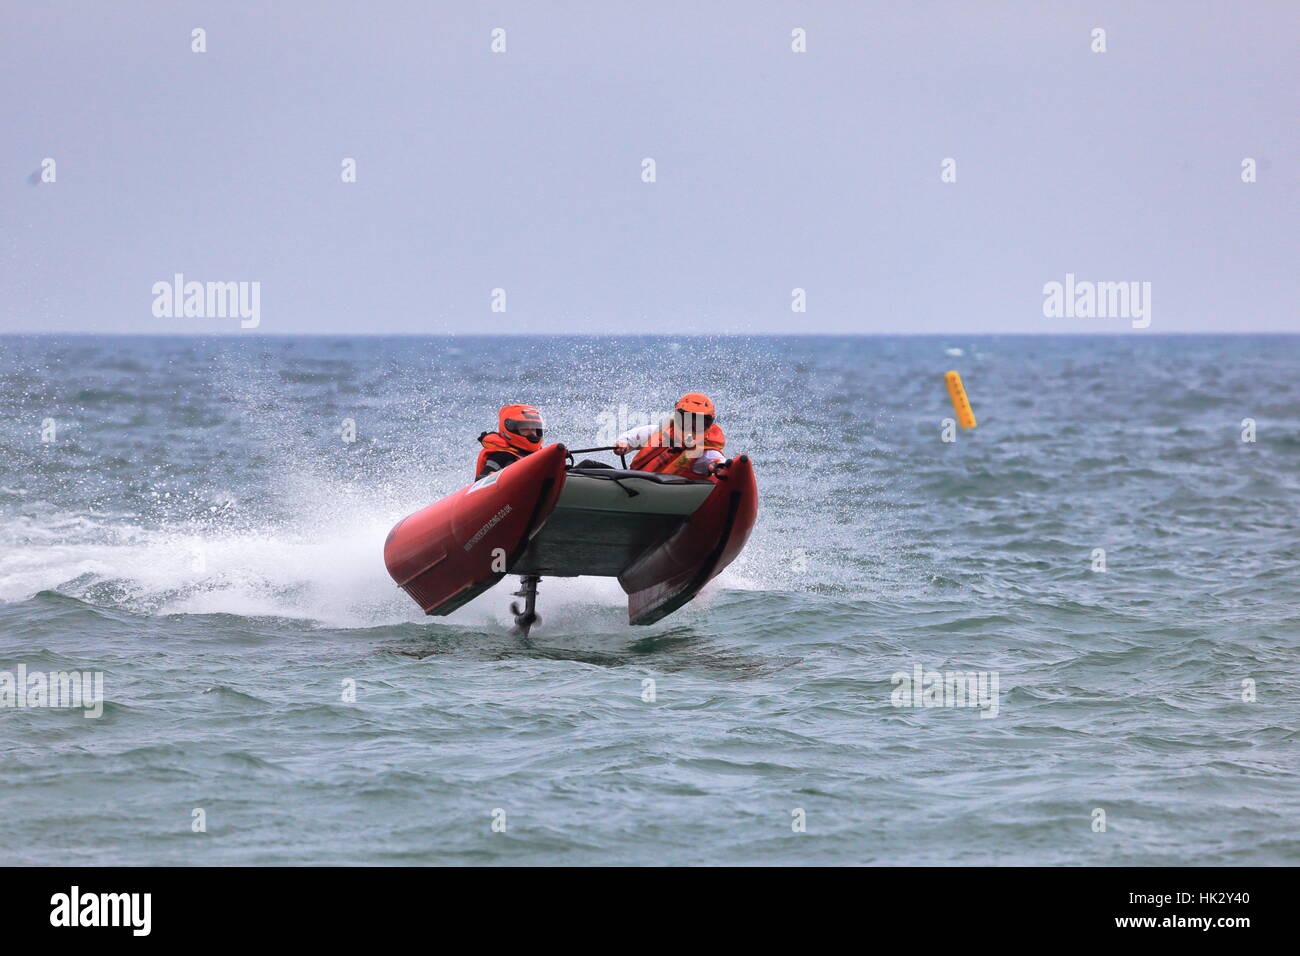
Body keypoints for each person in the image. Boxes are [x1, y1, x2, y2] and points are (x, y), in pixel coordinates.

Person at [613, 392, 727, 477]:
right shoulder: (660, 432)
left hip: (681, 494)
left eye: (700, 421)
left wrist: (717, 467)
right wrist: (624, 444)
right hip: (640, 485)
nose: (692, 425)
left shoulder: (708, 449)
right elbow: (634, 436)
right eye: (688, 419)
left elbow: (716, 460)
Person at [475, 404, 545, 479]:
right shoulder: (502, 456)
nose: (532, 434)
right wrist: (494, 477)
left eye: (534, 429)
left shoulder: (541, 454)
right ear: (511, 429)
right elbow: (482, 479)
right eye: (525, 429)